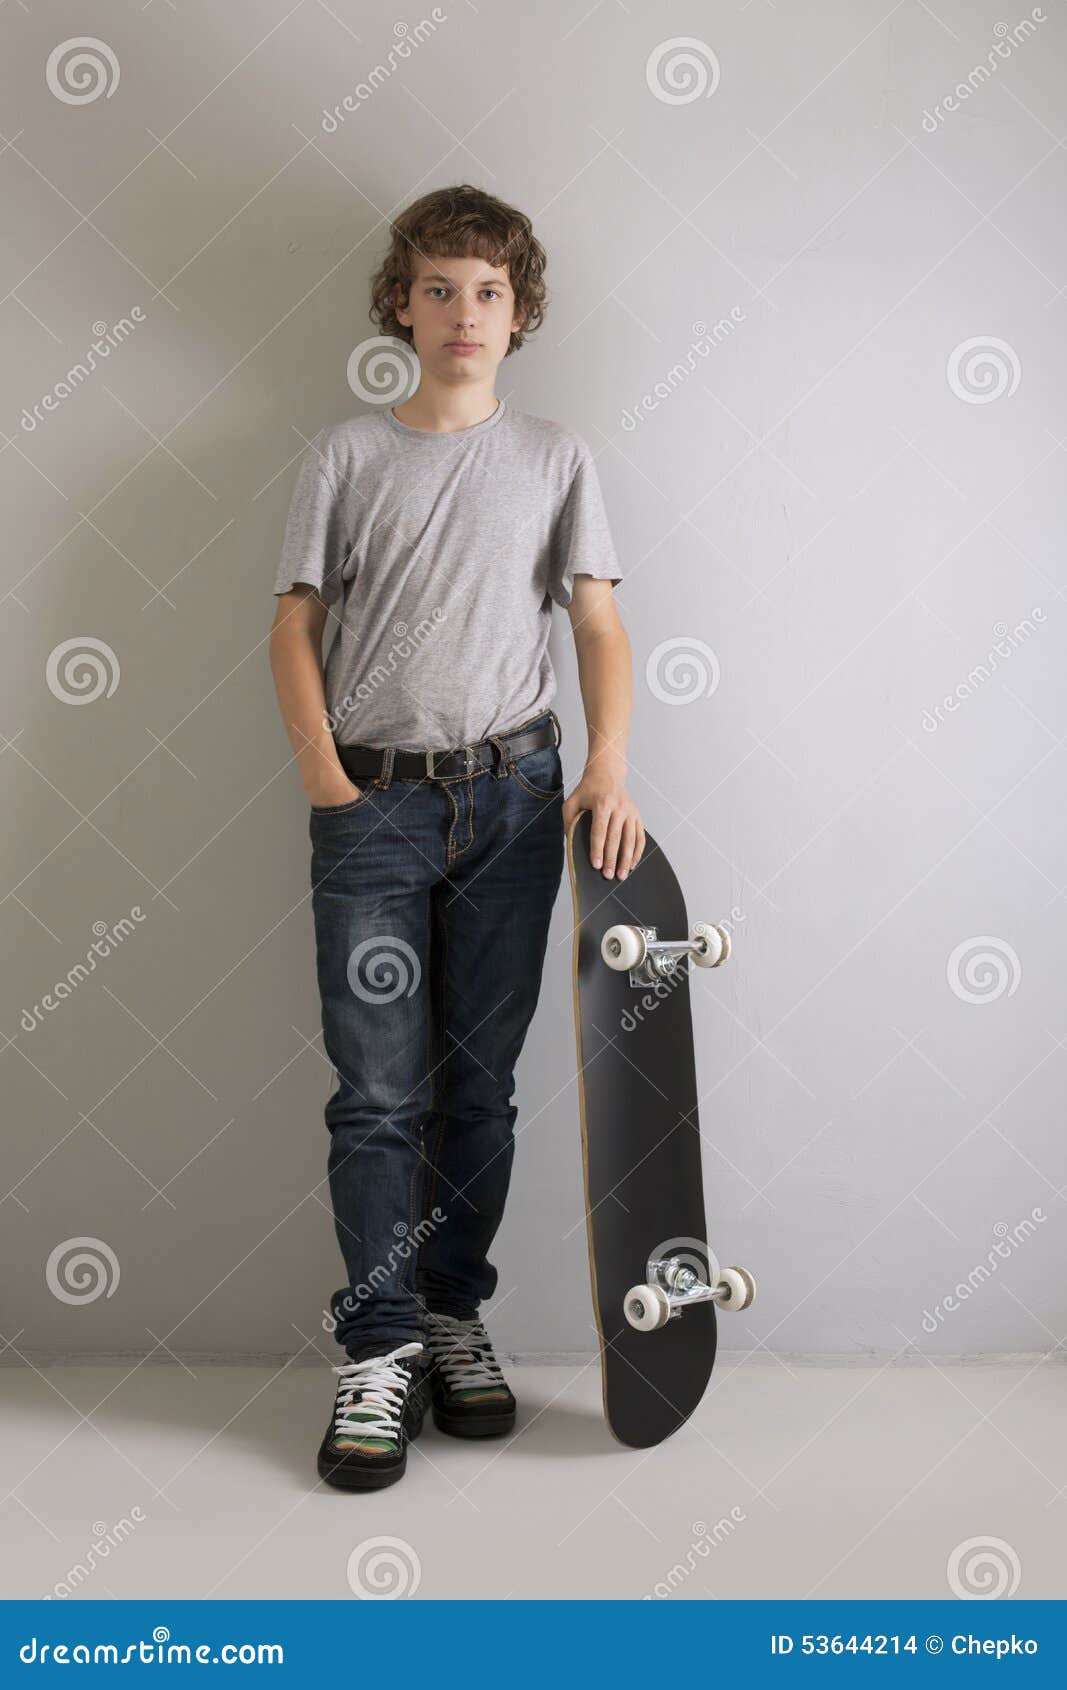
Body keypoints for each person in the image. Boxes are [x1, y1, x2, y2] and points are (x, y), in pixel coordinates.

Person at [269, 184, 643, 1491]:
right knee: (379, 1092)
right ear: (400, 305)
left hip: (518, 807)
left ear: (522, 310)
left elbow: (595, 624)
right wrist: (328, 778)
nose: (463, 312)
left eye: (488, 290)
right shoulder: (347, 457)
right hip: (372, 809)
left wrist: (607, 765)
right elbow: (293, 624)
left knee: (479, 1085)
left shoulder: (558, 457)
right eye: (439, 287)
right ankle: (375, 1347)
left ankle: (448, 1311)